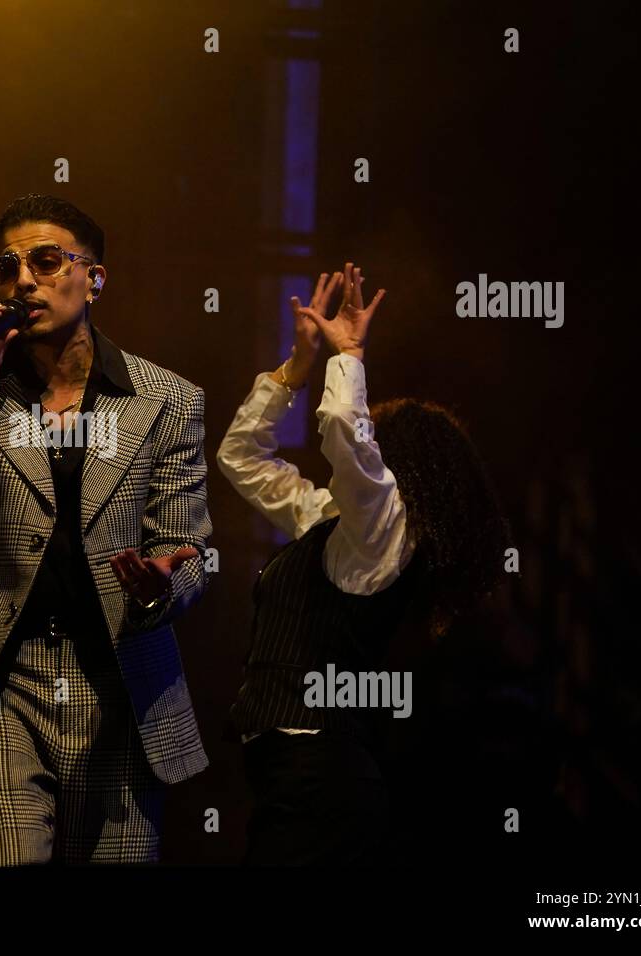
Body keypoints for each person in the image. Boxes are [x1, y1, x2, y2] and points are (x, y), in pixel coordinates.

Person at [0, 194, 213, 865]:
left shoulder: (167, 401)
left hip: (123, 681)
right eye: (8, 267)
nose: (24, 280)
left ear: (94, 276)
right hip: (6, 683)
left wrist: (162, 582)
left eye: (46, 261)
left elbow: (190, 551)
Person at [216, 262, 510, 864]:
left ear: (398, 461)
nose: (368, 438)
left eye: (381, 438)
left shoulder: (385, 528)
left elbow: (344, 431)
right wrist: (294, 372)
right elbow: (241, 456)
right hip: (293, 776)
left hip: (323, 779)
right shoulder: (332, 523)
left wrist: (346, 353)